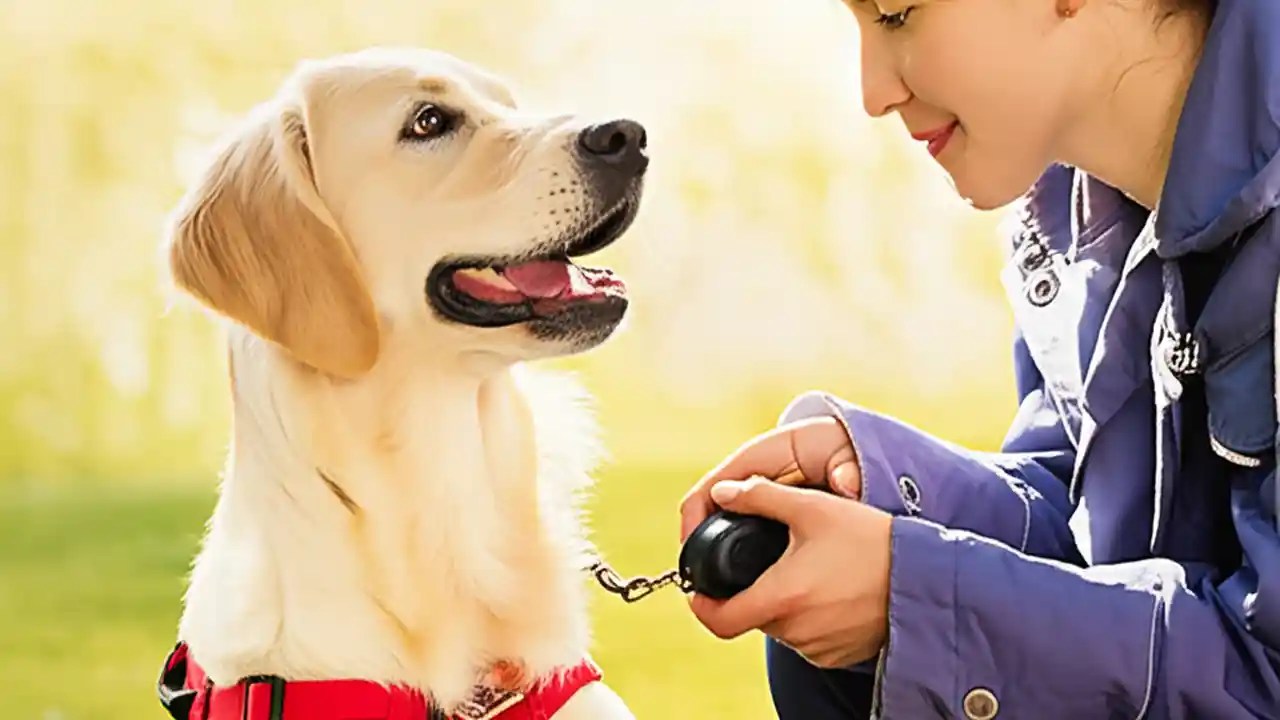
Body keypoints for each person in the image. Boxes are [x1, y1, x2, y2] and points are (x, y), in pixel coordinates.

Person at [677, 0, 1280, 717]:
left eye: (896, 15)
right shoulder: (1069, 208)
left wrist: (925, 598)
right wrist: (895, 497)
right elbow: (1100, 534)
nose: (873, 93)